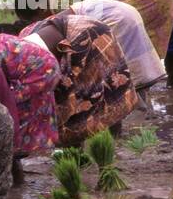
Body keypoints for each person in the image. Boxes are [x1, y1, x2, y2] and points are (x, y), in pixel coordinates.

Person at [16, 0, 165, 89]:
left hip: (115, 19)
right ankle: (143, 112)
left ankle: (134, 113)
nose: (35, 24)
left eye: (32, 20)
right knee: (131, 68)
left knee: (119, 74)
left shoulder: (51, 20)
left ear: (41, 10)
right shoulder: (60, 0)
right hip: (124, 12)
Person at [19, 13, 138, 144]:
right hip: (61, 38)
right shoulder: (17, 53)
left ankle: (113, 138)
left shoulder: (80, 44)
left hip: (87, 35)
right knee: (65, 103)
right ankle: (75, 143)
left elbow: (63, 94)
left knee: (109, 87)